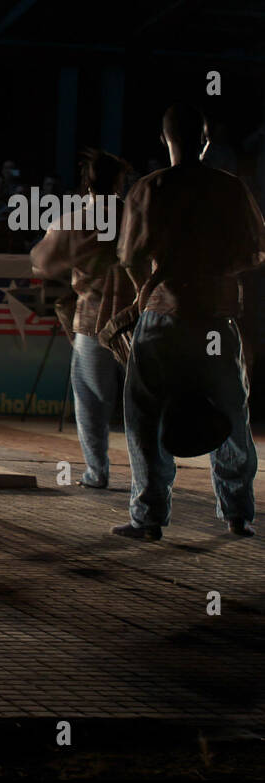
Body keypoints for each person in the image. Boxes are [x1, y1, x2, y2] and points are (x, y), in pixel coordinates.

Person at [114, 103, 265, 540]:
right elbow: (254, 253)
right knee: (232, 412)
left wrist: (153, 279)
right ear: (205, 140)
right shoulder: (230, 189)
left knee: (144, 415)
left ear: (165, 140)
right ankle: (238, 513)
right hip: (216, 318)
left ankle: (149, 517)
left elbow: (128, 256)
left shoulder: (149, 188)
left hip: (162, 315)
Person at [30, 149, 133, 489]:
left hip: (91, 321)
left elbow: (41, 262)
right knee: (141, 401)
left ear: (87, 182)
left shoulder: (74, 219)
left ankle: (97, 472)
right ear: (119, 182)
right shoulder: (135, 216)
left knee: (90, 401)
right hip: (135, 319)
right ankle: (148, 481)